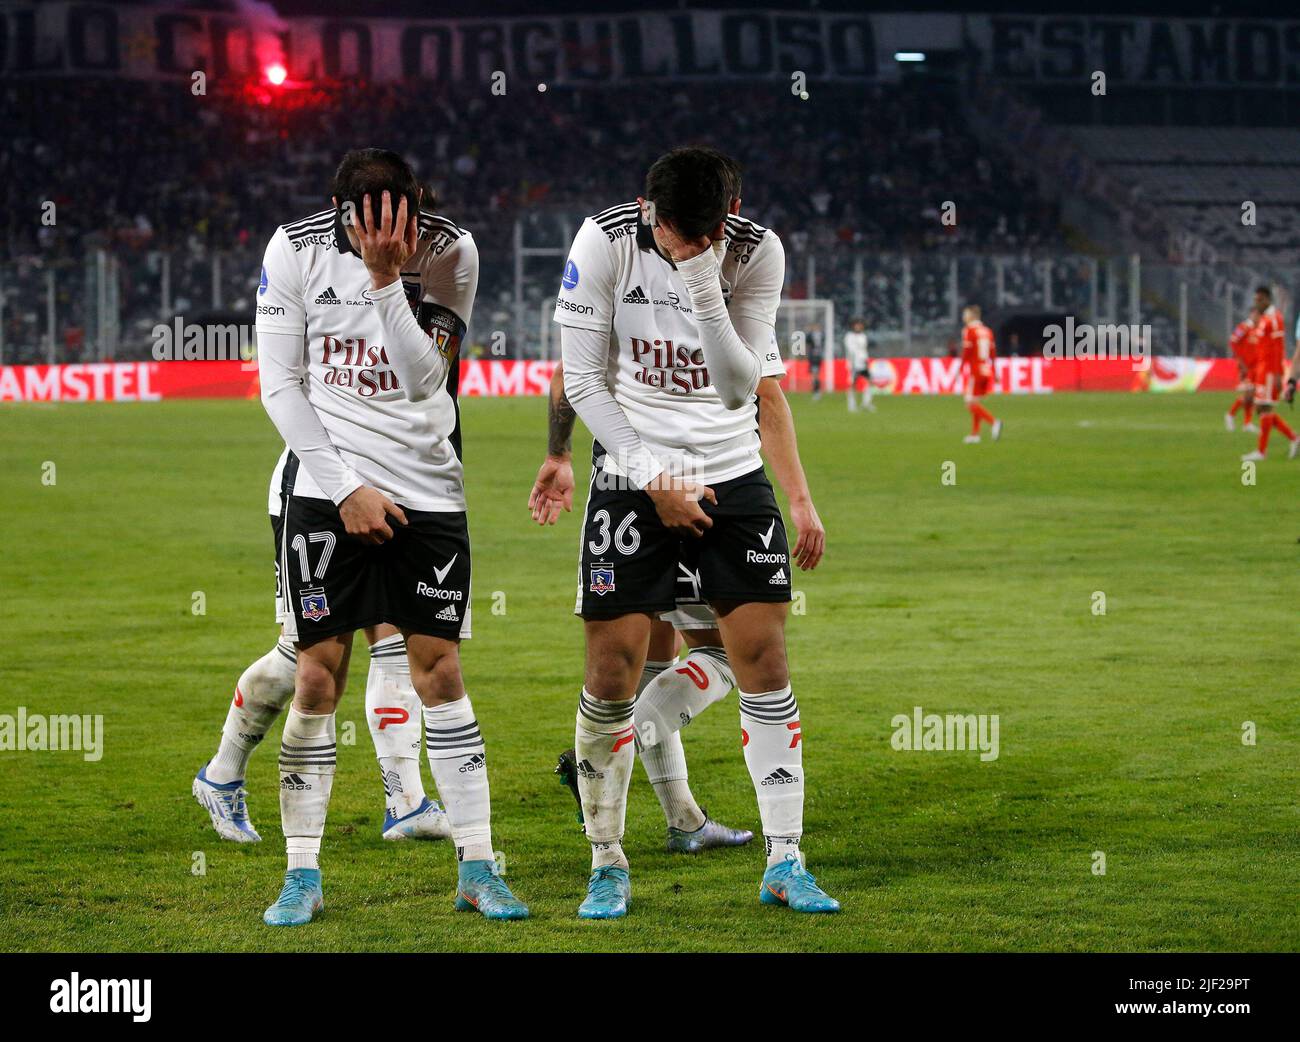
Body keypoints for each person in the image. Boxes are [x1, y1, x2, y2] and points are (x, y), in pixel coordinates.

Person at [554, 146, 841, 918]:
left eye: (708, 232)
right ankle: (607, 862)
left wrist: (699, 279)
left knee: (763, 660)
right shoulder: (604, 240)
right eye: (678, 233)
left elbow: (739, 385)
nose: (692, 243)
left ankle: (786, 860)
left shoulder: (753, 249)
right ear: (648, 208)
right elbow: (581, 381)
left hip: (733, 473)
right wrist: (652, 475)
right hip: (630, 475)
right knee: (612, 673)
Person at [251, 147, 527, 925]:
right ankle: (301, 875)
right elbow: (279, 384)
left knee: (438, 671)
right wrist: (344, 488)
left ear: (415, 206)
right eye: (366, 221)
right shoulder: (294, 249)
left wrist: (383, 280)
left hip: (431, 490)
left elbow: (424, 379)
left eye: (397, 217)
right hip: (326, 491)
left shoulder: (449, 249)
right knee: (317, 678)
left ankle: (478, 864)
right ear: (341, 211)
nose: (384, 232)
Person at [531, 361, 825, 851]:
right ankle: (608, 754)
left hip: (626, 483)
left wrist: (558, 450)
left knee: (652, 659)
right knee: (724, 653)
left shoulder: (616, 293)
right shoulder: (723, 292)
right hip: (698, 484)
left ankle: (683, 820)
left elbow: (568, 374)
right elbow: (767, 395)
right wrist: (800, 498)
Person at [193, 451, 450, 847]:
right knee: (307, 656)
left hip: (392, 490)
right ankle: (222, 775)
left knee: (395, 638)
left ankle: (406, 801)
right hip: (317, 497)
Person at [1241, 286, 1298, 462]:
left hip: (1270, 371)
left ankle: (1262, 452)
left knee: (1265, 408)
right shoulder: (1265, 319)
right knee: (1261, 408)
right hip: (1262, 369)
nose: (1256, 303)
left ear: (1267, 299)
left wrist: (1279, 374)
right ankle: (1294, 438)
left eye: (1258, 300)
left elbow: (1278, 348)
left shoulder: (1275, 319)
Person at [960, 305, 1001, 444]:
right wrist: (995, 372)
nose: (964, 317)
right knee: (975, 402)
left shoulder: (969, 330)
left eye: (965, 314)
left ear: (972, 316)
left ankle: (994, 422)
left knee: (969, 403)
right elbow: (993, 354)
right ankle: (975, 435)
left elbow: (967, 353)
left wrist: (960, 368)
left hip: (976, 371)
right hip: (986, 370)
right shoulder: (987, 331)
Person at [1225, 307, 1259, 433]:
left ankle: (1247, 423)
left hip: (1256, 366)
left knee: (1251, 395)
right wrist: (1240, 361)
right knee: (1249, 394)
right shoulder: (1244, 327)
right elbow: (1233, 341)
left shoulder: (1257, 328)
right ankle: (1231, 414)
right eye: (1256, 314)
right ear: (1251, 314)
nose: (1258, 317)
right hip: (1247, 366)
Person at [843, 318, 874, 412]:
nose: (859, 326)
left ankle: (866, 403)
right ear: (853, 326)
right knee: (853, 384)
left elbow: (863, 350)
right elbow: (850, 350)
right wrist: (852, 363)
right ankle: (851, 405)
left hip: (863, 363)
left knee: (869, 381)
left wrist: (865, 359)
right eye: (857, 325)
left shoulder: (863, 336)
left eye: (860, 325)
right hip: (853, 364)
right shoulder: (849, 336)